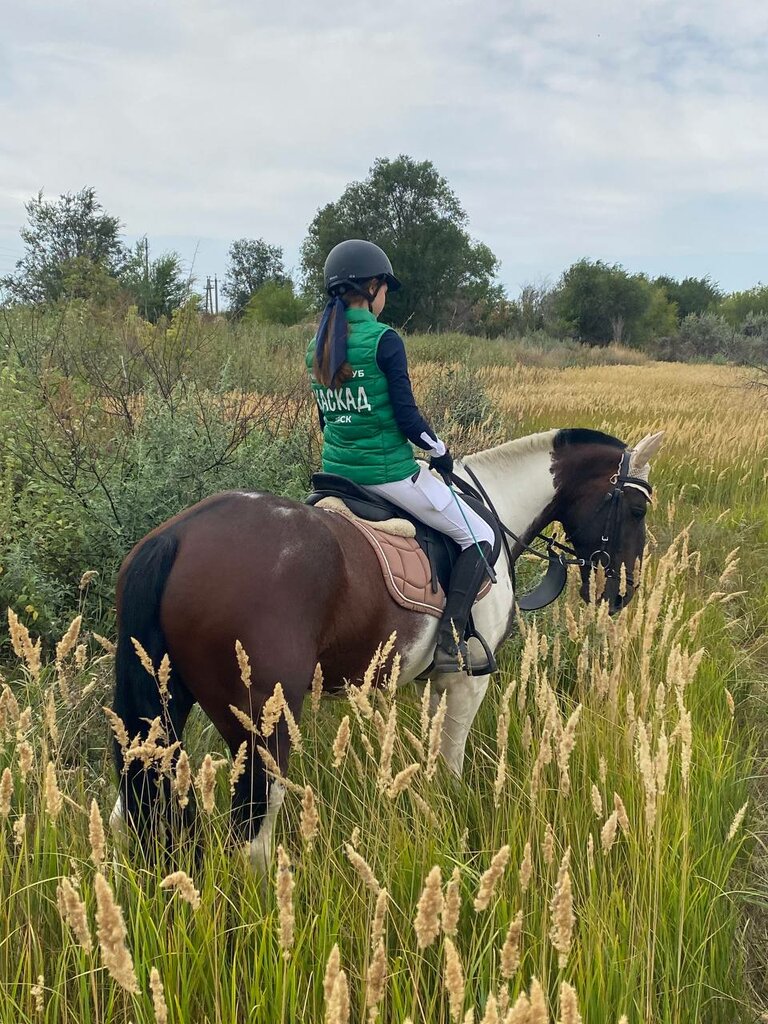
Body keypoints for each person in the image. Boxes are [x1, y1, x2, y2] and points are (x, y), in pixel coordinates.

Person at [306, 239, 496, 675]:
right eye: (385, 288)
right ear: (371, 287)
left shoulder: (317, 346)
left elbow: (326, 419)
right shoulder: (385, 340)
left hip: (335, 476)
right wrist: (440, 450)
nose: (386, 296)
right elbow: (409, 418)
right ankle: (451, 639)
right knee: (480, 534)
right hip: (387, 475)